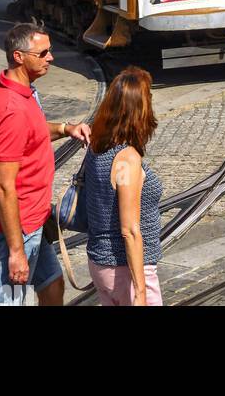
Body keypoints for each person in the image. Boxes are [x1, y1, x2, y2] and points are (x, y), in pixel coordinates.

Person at [0, 23, 90, 305]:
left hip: (33, 219)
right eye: (43, 53)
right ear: (19, 57)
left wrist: (66, 128)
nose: (51, 58)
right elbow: (4, 186)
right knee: (6, 299)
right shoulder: (12, 109)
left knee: (52, 285)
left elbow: (33, 131)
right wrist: (16, 251)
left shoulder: (22, 92)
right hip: (20, 224)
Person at [84, 65, 164, 305]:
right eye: (148, 98)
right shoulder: (126, 159)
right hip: (125, 270)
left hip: (101, 264)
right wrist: (140, 293)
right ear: (139, 109)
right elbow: (129, 231)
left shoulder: (97, 147)